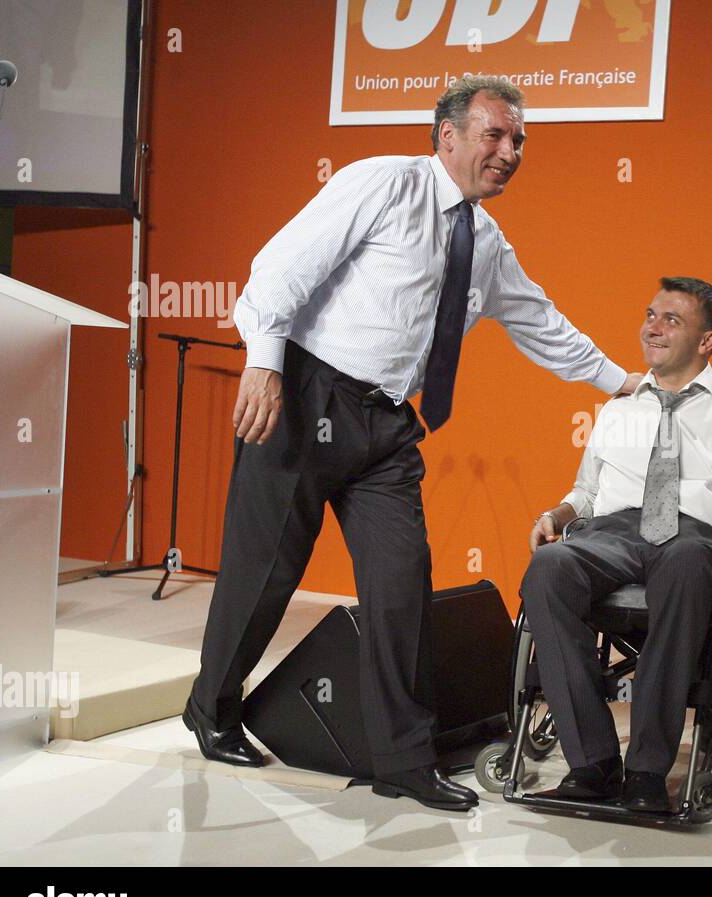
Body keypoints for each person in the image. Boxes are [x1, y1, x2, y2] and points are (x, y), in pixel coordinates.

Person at [184, 75, 642, 812]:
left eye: (518, 140)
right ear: (448, 136)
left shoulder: (484, 242)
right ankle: (210, 708)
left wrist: (622, 383)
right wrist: (264, 363)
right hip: (305, 396)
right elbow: (282, 265)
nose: (509, 151)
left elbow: (540, 324)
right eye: (495, 135)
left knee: (402, 587)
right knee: (264, 573)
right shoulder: (382, 184)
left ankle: (401, 759)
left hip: (387, 426)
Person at [520, 277, 712, 812]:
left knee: (684, 560)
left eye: (671, 320)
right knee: (549, 566)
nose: (652, 329)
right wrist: (557, 514)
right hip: (614, 533)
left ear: (707, 341)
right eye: (650, 316)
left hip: (697, 539)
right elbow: (587, 493)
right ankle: (592, 763)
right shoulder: (619, 409)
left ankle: (645, 770)